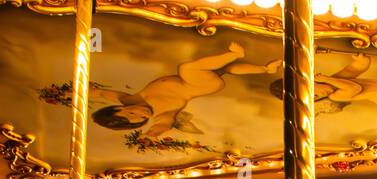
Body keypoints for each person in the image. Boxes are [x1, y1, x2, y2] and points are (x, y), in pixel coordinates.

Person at [91, 42, 279, 139]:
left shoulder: (128, 98)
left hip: (201, 80)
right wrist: (153, 134)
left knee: (226, 70)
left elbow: (102, 94)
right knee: (187, 69)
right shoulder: (163, 112)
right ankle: (233, 54)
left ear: (120, 108)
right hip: (198, 85)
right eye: (141, 120)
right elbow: (163, 124)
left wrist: (80, 94)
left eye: (133, 113)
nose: (143, 114)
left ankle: (266, 69)